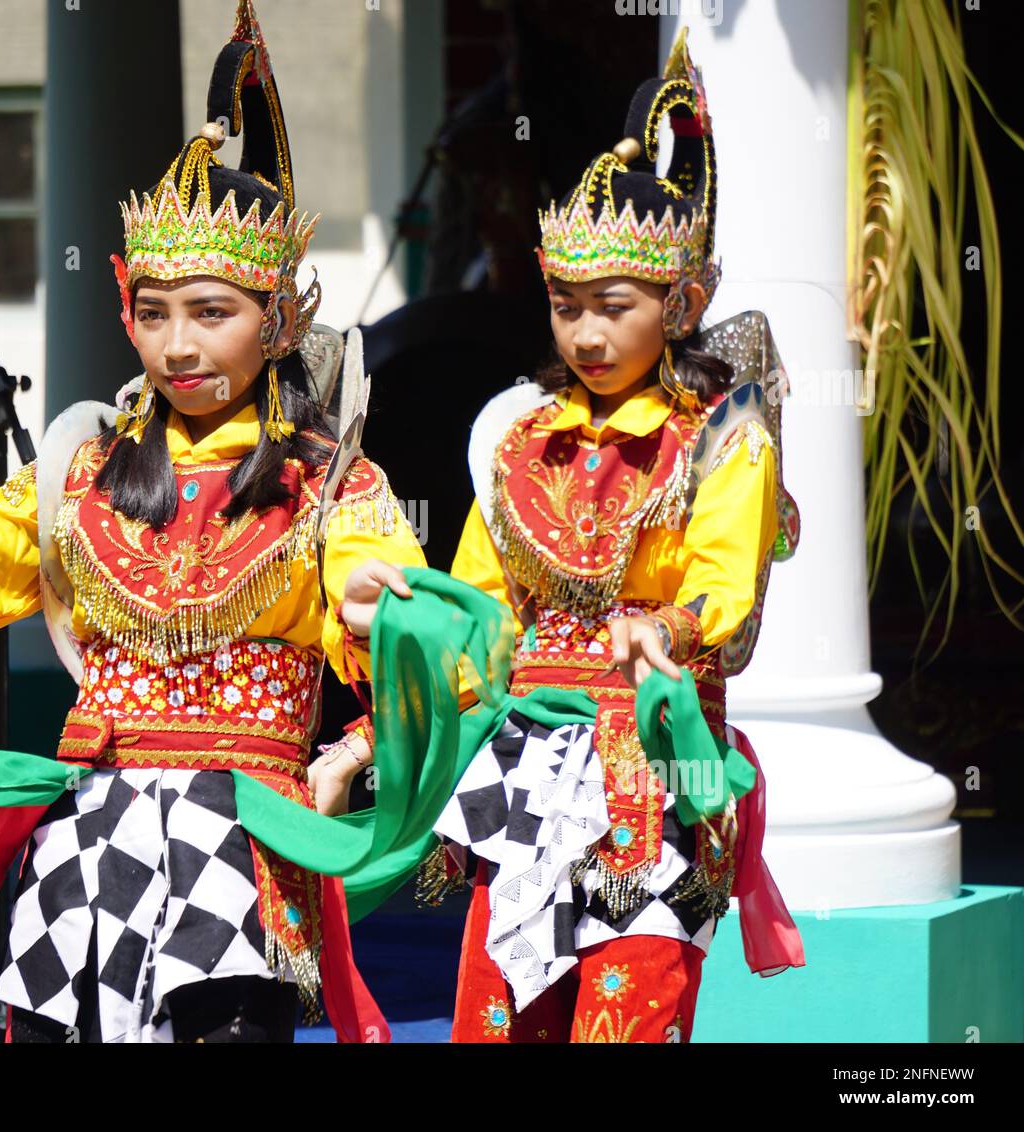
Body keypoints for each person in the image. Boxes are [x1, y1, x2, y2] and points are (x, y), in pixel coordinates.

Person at [0, 0, 425, 1044]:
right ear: (121, 305)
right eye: (153, 311)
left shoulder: (334, 488)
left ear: (279, 320)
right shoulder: (83, 474)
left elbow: (427, 640)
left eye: (211, 312)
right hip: (88, 841)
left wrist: (375, 644)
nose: (177, 345)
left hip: (239, 856)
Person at [429, 30, 803, 1043]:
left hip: (661, 776)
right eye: (565, 307)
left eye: (614, 307)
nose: (586, 334)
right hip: (527, 769)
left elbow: (725, 586)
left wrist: (668, 633)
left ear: (678, 303)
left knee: (629, 1019)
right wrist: (410, 658)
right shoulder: (523, 444)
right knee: (501, 1022)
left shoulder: (718, 439)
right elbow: (478, 613)